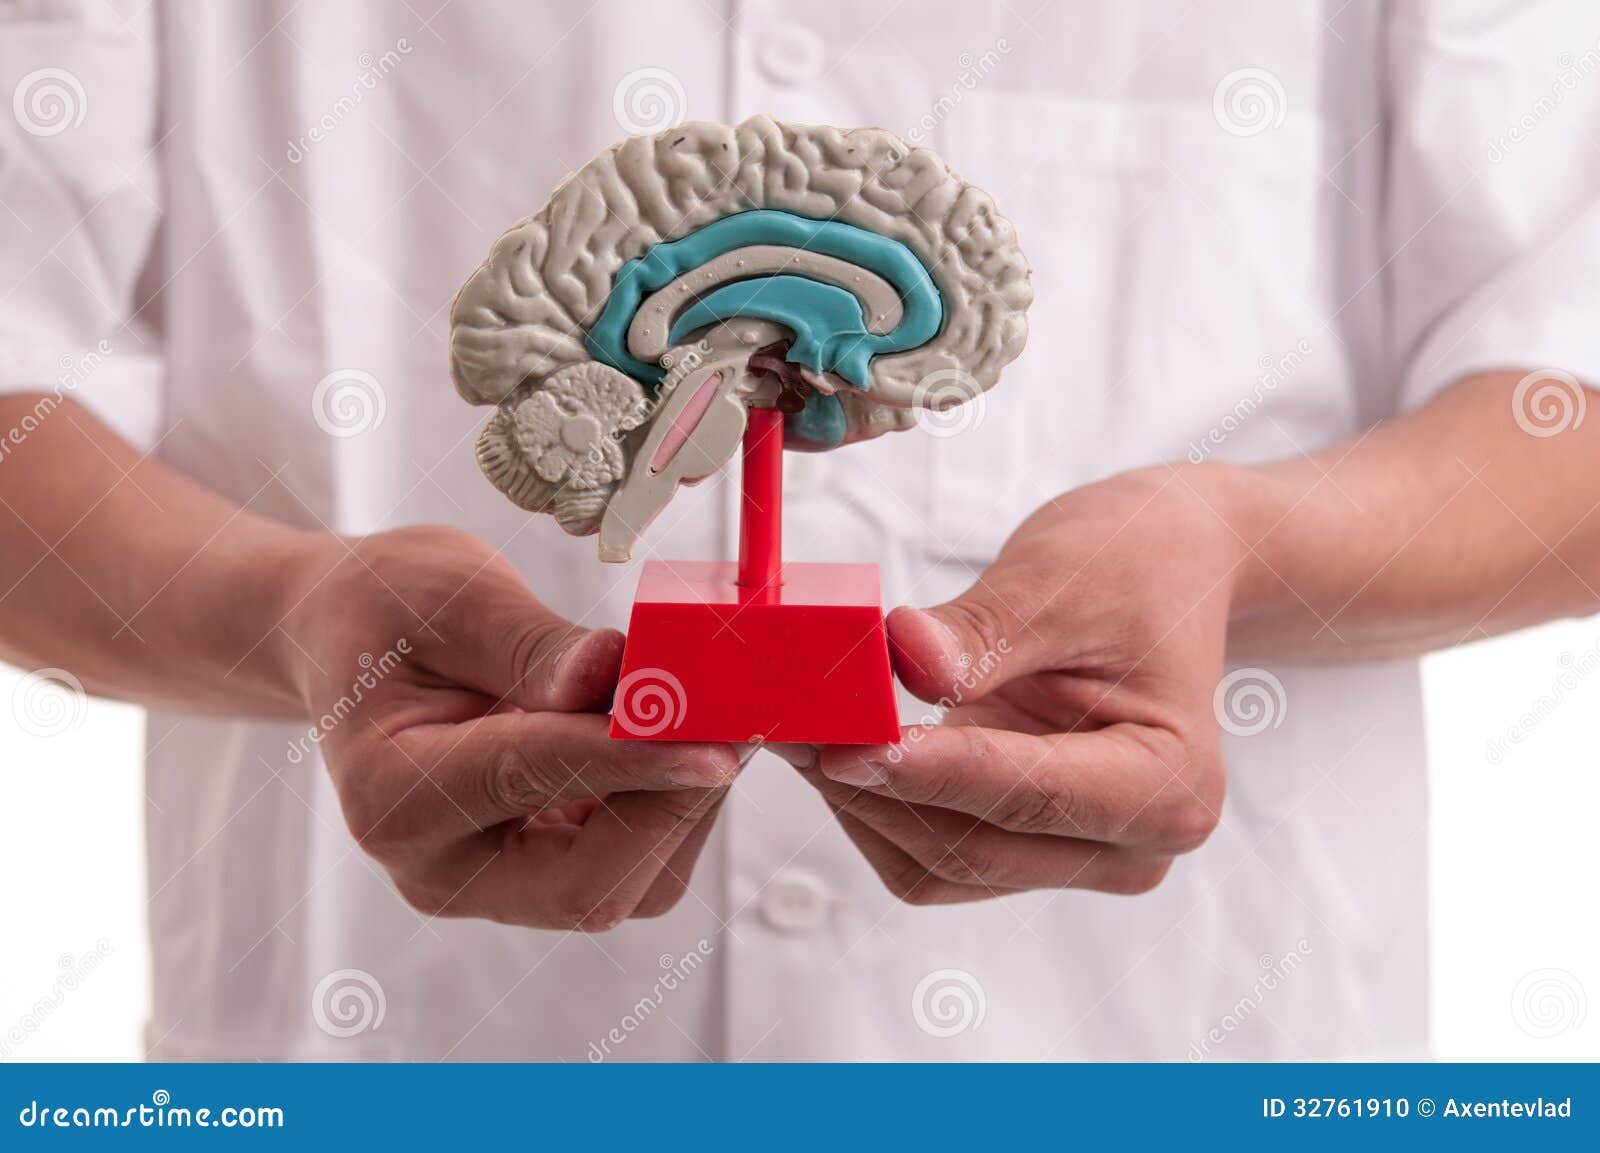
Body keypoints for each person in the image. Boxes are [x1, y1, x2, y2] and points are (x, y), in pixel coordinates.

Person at [3, 0, 1597, 1061]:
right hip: (403, 1046)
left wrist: (1241, 544)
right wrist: (288, 616)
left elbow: (1570, 389)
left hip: (1158, 1045)